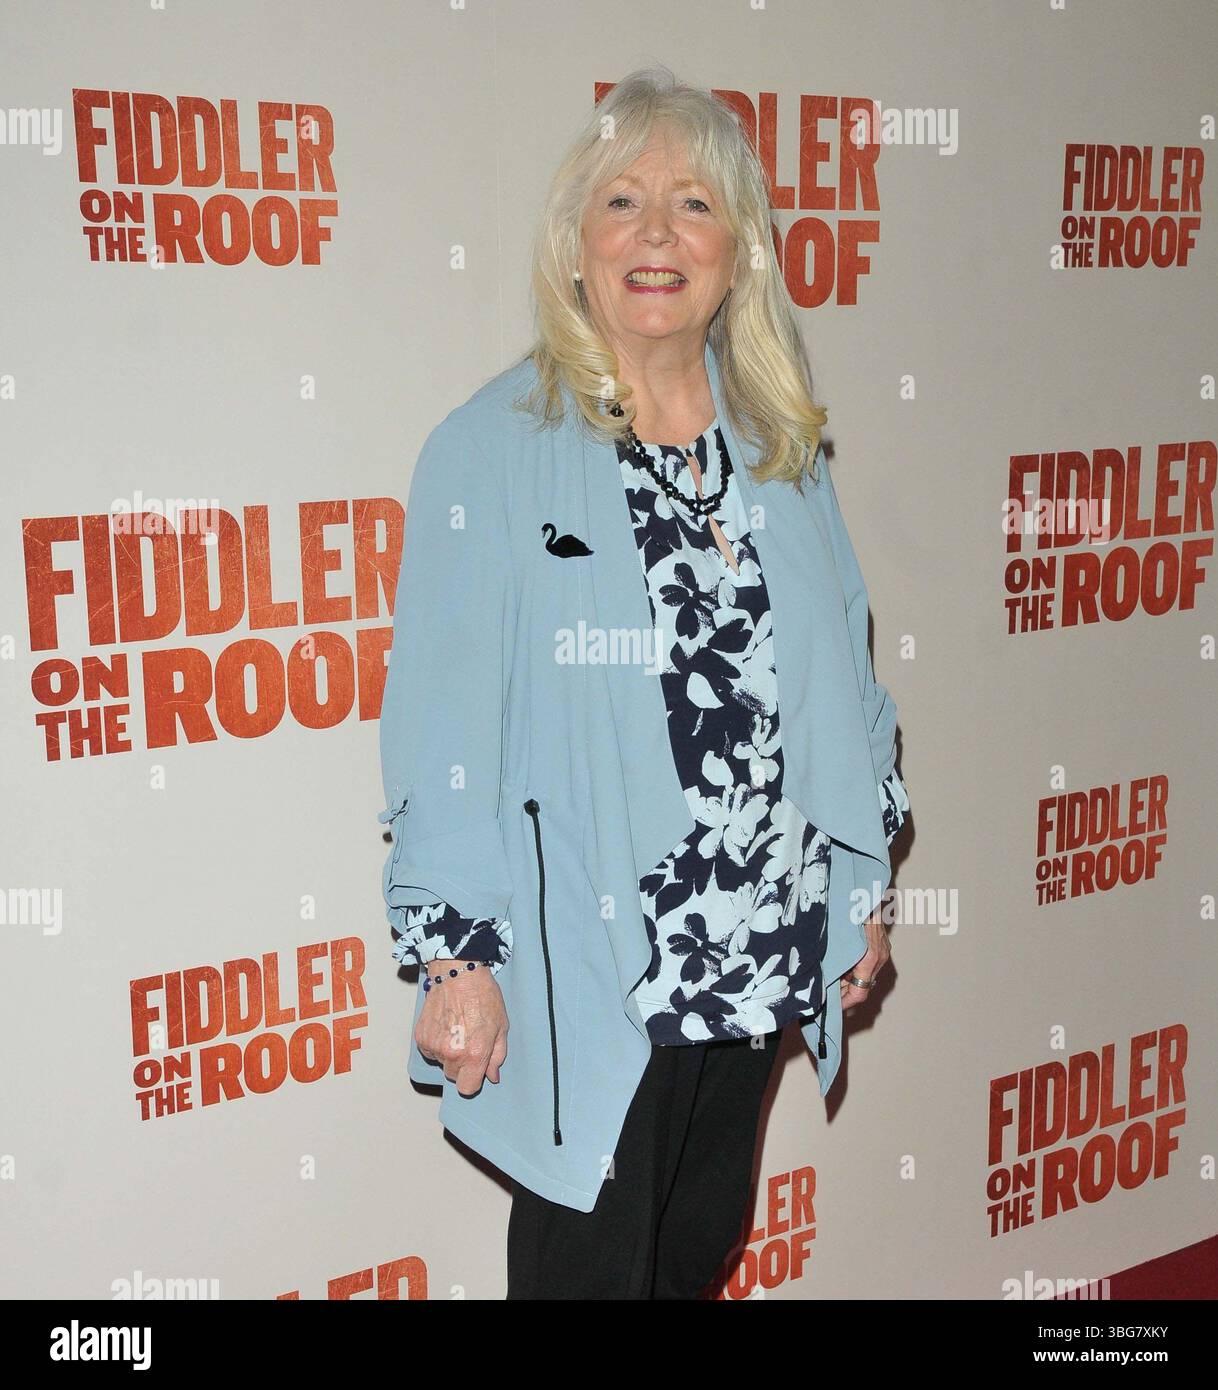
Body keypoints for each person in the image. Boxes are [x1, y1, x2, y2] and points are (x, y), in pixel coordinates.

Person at [378, 66, 910, 1300]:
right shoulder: (495, 449)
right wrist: (455, 956)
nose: (658, 233)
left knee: (687, 1266)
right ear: (577, 243)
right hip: (598, 966)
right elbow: (443, 722)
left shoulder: (781, 446)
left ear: (739, 253)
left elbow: (844, 674)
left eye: (694, 204)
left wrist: (858, 876)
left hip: (755, 948)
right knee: (588, 1279)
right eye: (623, 201)